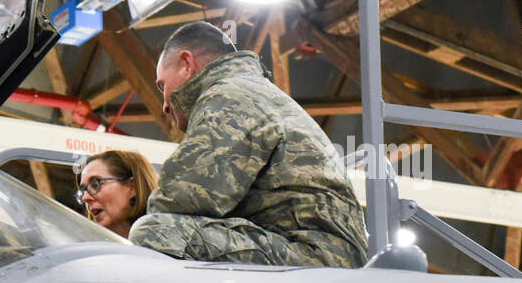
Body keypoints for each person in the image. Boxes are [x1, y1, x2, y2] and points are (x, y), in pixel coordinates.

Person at [129, 21, 368, 268]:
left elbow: (184, 194)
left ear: (187, 64)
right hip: (319, 253)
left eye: (161, 86)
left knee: (155, 232)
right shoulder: (251, 90)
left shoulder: (231, 94)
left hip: (315, 257)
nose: (164, 106)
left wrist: (124, 233)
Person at [75, 149, 158, 239]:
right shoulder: (90, 249)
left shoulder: (167, 244)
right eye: (83, 190)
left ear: (132, 187)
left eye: (95, 184)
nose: (85, 197)